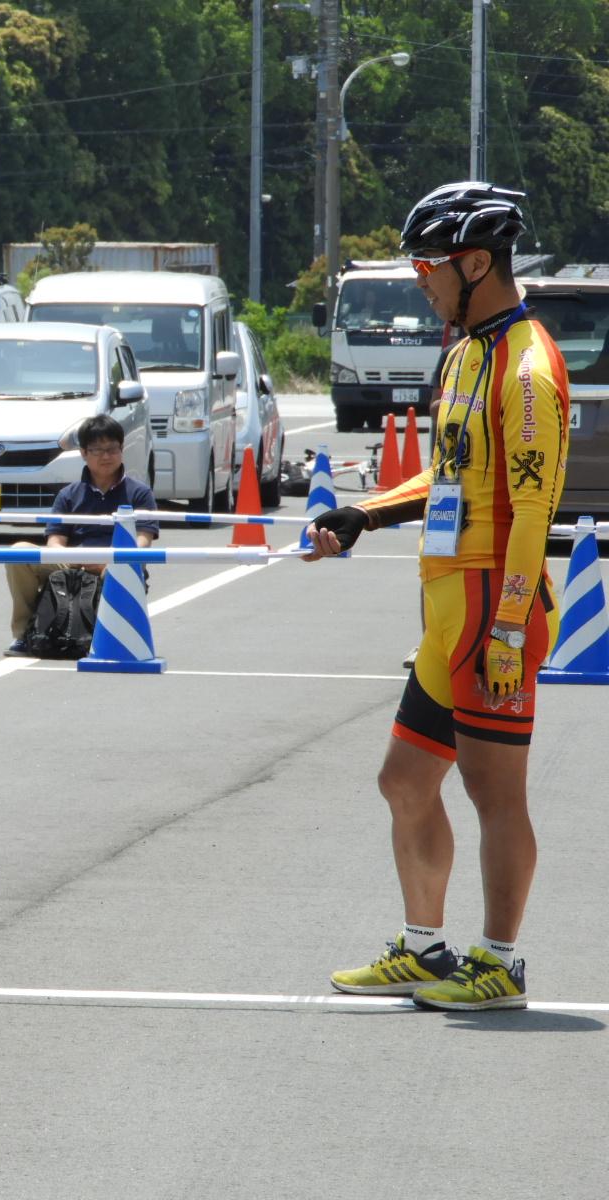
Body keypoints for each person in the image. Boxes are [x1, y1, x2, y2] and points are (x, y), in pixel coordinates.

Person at [305, 182, 568, 1012]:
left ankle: (501, 964)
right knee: (405, 781)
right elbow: (445, 478)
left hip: (494, 604)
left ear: (476, 262)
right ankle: (425, 949)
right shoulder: (464, 354)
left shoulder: (528, 367)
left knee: (494, 794)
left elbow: (533, 511)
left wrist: (509, 626)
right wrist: (365, 513)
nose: (419, 281)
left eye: (428, 266)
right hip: (449, 605)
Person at [4, 413, 159, 656]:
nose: (106, 456)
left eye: (112, 448)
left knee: (122, 567)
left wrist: (108, 560)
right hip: (72, 561)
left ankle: (111, 637)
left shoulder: (140, 493)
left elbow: (143, 542)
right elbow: (55, 542)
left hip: (117, 561)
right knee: (19, 553)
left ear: (122, 449)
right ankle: (25, 634)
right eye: (97, 450)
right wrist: (76, 559)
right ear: (83, 453)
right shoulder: (68, 494)